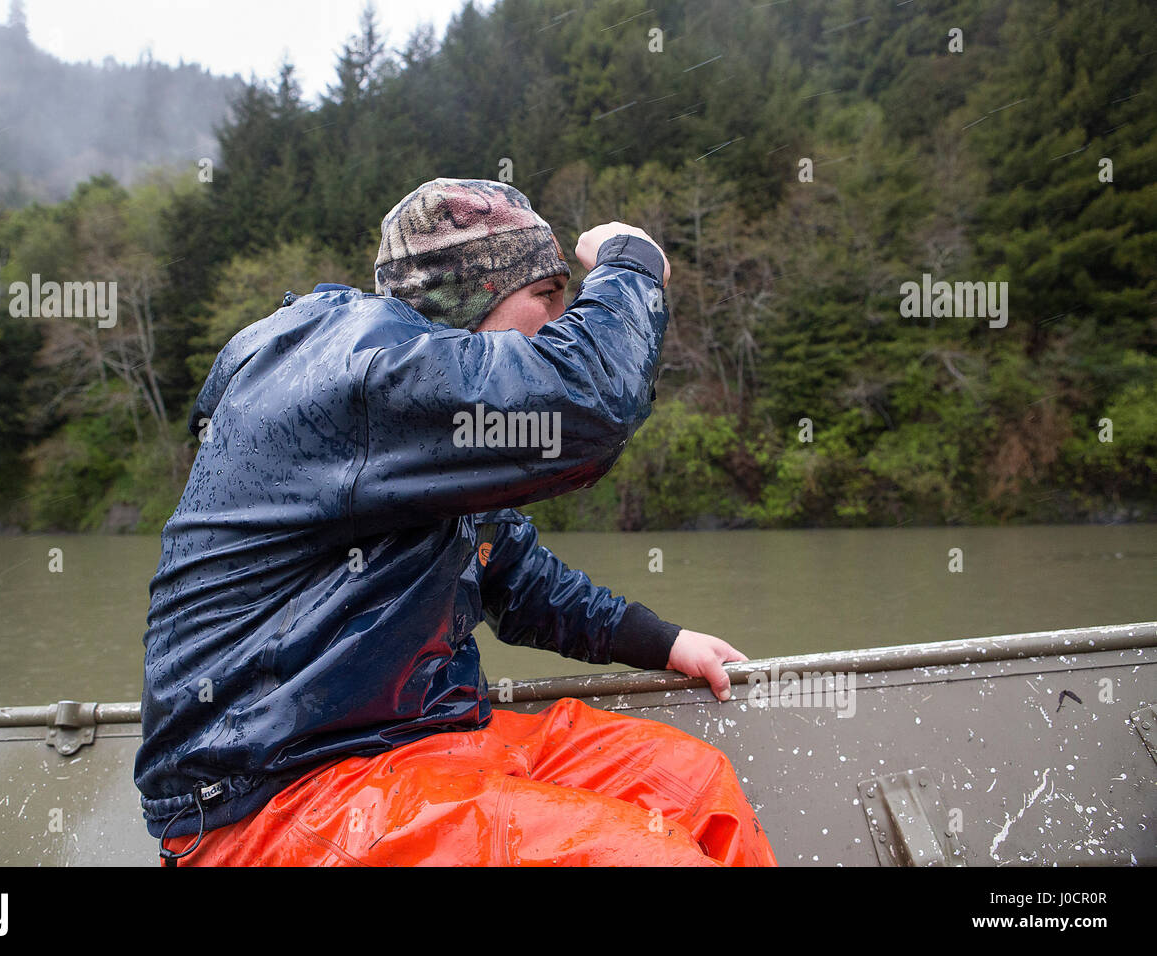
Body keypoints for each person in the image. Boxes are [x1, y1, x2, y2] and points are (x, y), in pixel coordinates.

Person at [136, 177, 777, 866]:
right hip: (275, 793)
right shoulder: (357, 370)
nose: (564, 323)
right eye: (550, 296)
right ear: (477, 294)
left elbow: (511, 571)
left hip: (424, 745)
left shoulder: (428, 426)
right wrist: (630, 262)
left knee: (696, 789)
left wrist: (664, 641)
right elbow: (590, 404)